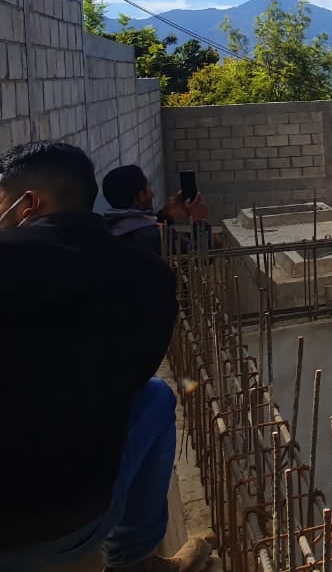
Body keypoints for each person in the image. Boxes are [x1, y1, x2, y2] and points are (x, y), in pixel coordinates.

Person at [0, 141, 211, 572]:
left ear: (27, 203)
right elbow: (131, 379)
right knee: (155, 397)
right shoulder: (151, 278)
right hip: (77, 522)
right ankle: (133, 560)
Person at [102, 164, 212, 257]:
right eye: (148, 187)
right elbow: (201, 257)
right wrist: (199, 221)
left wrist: (165, 215)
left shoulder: (106, 230)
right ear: (140, 197)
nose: (152, 193)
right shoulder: (160, 236)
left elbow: (136, 228)